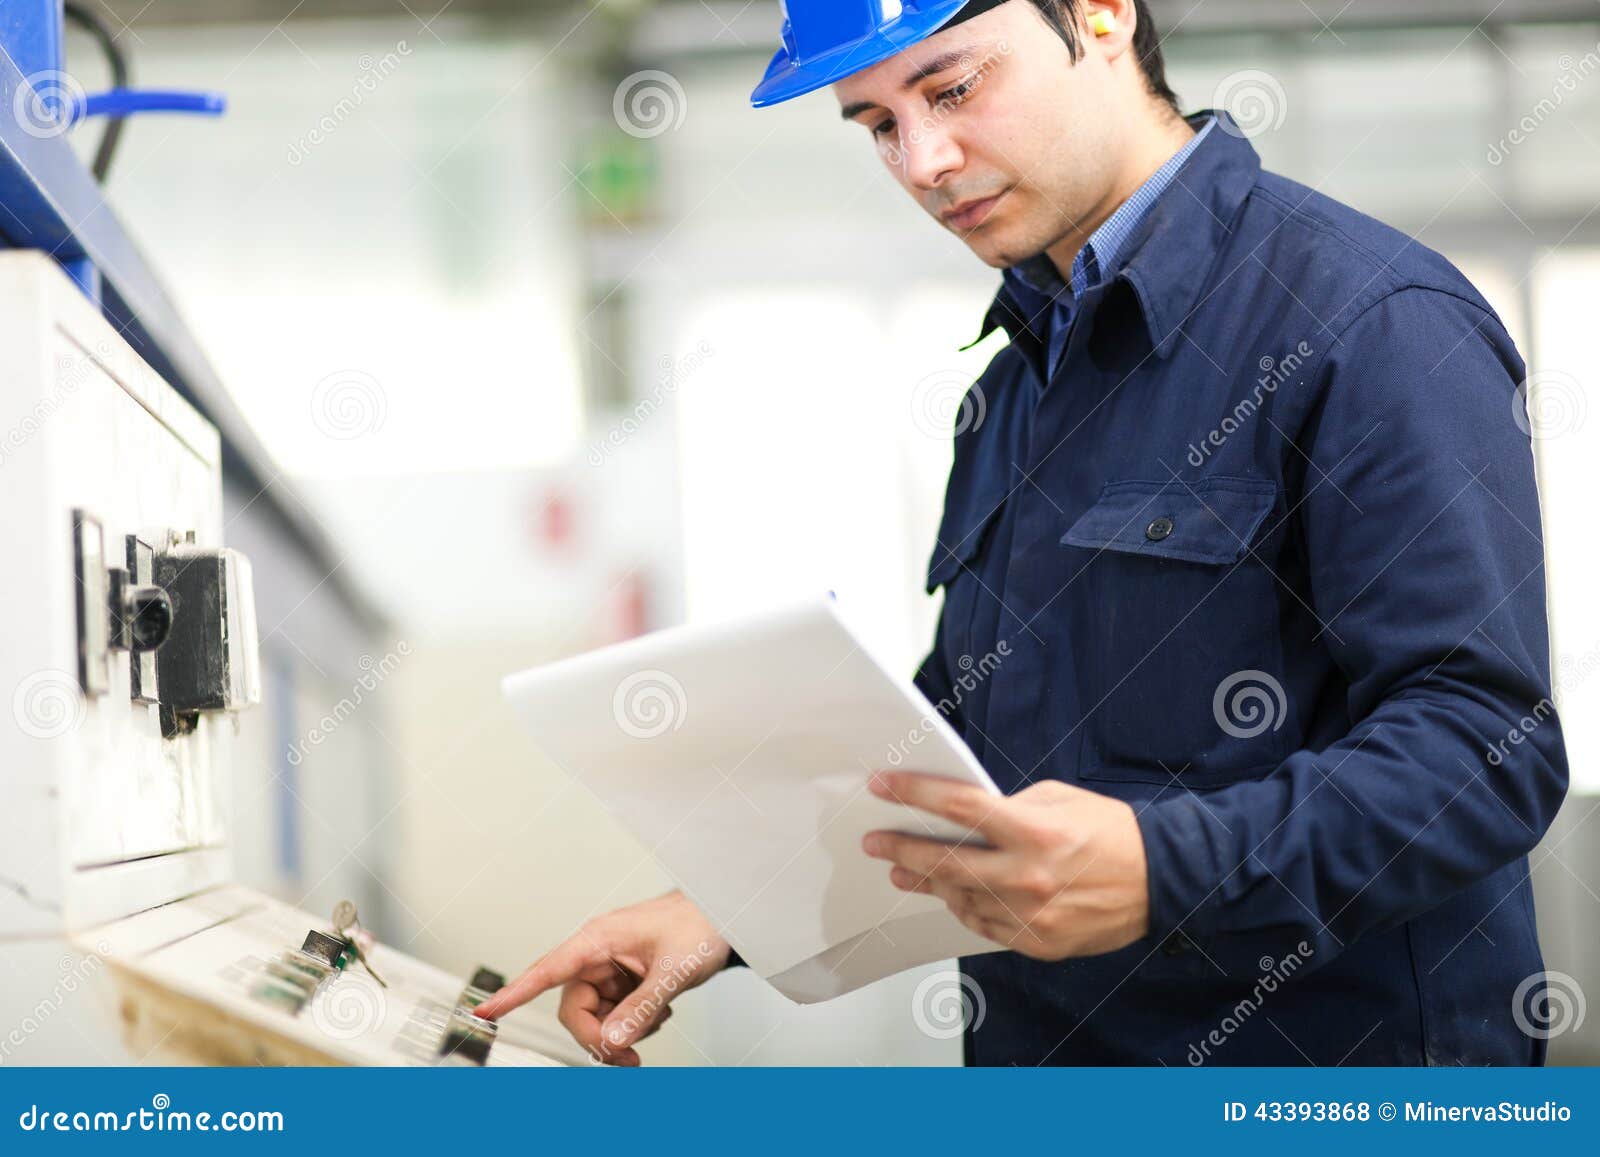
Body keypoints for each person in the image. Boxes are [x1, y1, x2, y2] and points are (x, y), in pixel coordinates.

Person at [474, 0, 1569, 1066]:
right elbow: (963, 740)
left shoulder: (1367, 322)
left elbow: (1484, 750)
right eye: (879, 126)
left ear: (1099, 17)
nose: (924, 161)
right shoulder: (1012, 385)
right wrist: (730, 908)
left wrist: (1160, 866)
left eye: (951, 88)